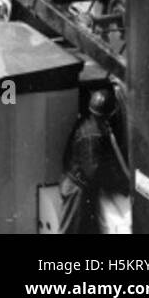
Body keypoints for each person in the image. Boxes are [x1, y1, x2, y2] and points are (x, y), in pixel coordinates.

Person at [60, 89, 124, 234]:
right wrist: (120, 184)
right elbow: (95, 171)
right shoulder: (93, 136)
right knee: (69, 230)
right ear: (108, 115)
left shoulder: (86, 123)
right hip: (77, 190)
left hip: (73, 182)